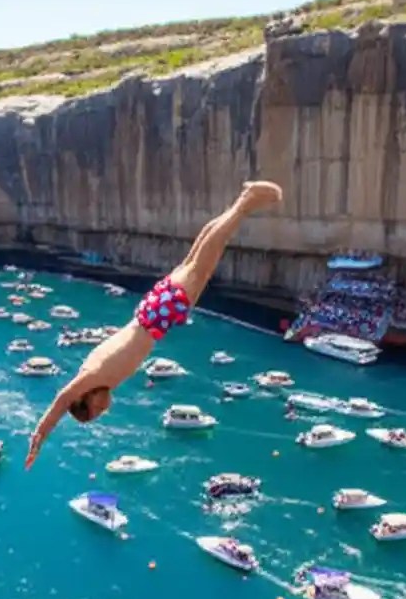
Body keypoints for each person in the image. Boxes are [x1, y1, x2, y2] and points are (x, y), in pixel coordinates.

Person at [24, 181, 285, 468]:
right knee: (196, 259)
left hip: (155, 316)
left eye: (96, 408)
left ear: (83, 396)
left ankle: (246, 201)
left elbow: (60, 402)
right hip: (152, 313)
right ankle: (239, 204)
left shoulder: (90, 377)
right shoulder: (95, 373)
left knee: (204, 261)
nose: (103, 407)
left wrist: (39, 437)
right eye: (100, 412)